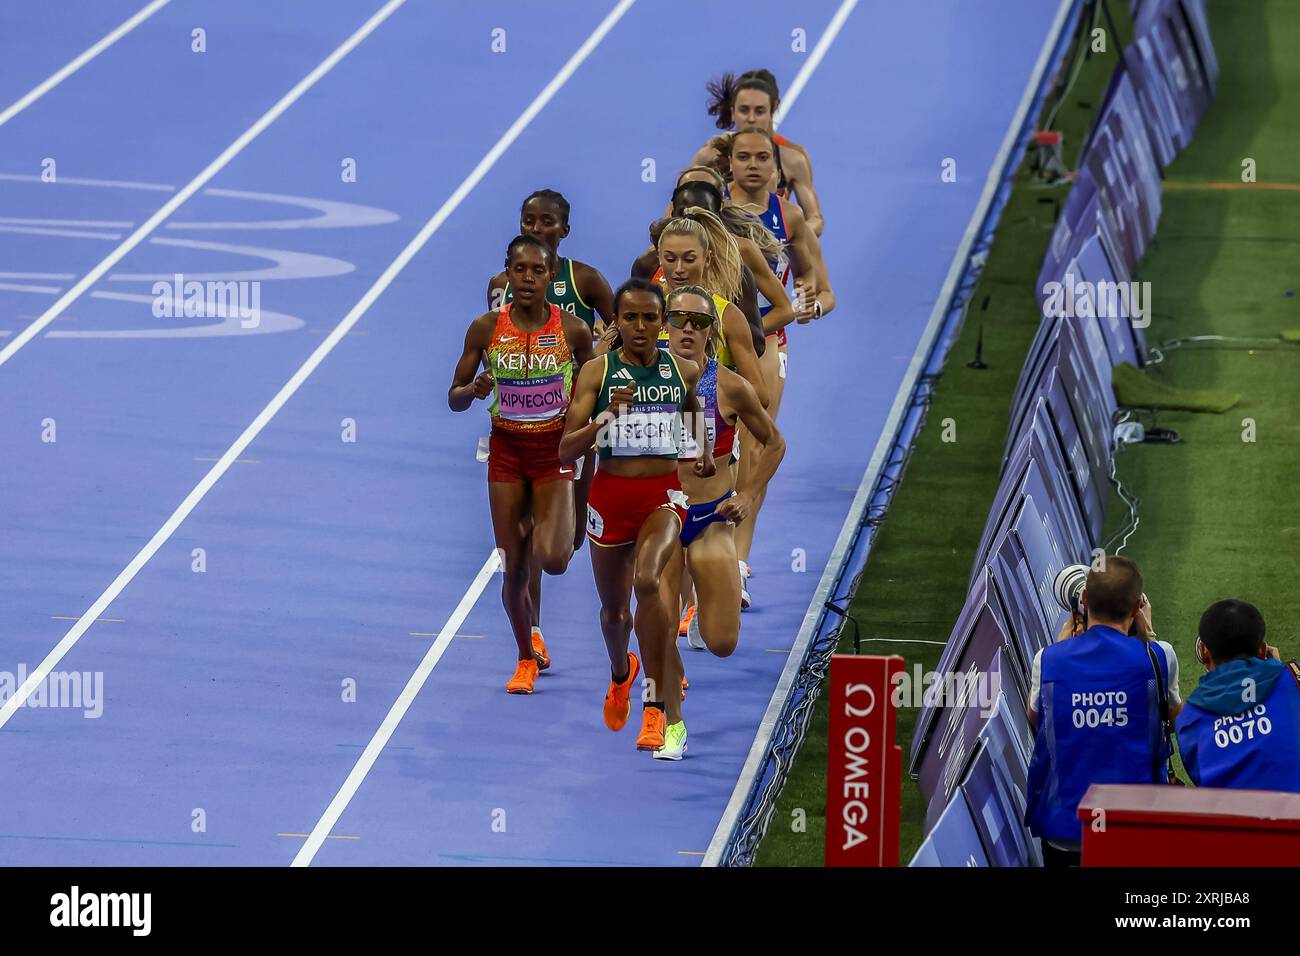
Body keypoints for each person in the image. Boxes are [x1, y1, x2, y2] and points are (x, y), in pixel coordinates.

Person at [559, 279, 713, 756]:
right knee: (613, 614)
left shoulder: (682, 370)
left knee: (649, 581)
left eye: (650, 317)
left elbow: (692, 417)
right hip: (610, 499)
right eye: (630, 318)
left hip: (660, 497)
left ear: (663, 321)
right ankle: (620, 672)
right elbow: (565, 448)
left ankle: (658, 707)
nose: (641, 327)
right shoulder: (595, 372)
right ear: (617, 322)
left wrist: (701, 453)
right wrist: (606, 417)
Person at [450, 235, 594, 694]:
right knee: (512, 567)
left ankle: (538, 530)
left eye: (537, 271)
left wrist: (586, 437)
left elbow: (594, 386)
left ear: (552, 276)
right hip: (507, 455)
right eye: (519, 270)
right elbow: (453, 398)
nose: (528, 279)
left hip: (554, 454)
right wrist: (472, 391)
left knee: (554, 560)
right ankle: (525, 654)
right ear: (506, 274)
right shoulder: (484, 328)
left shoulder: (573, 330)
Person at [721, 125, 835, 607]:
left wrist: (810, 305)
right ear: (729, 164)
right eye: (743, 156)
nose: (752, 164)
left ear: (775, 165)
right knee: (714, 449)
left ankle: (738, 565)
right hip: (712, 342)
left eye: (761, 157)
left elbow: (822, 290)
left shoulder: (788, 218)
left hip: (768, 341)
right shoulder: (711, 211)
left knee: (754, 446)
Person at [1024, 556, 1182, 866]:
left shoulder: (1048, 659)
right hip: (1137, 827)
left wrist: (1059, 647)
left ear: (1083, 600)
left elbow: (1037, 719)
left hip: (1066, 830)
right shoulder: (1159, 656)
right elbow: (1174, 721)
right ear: (1138, 608)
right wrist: (1148, 637)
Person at [666, 287, 785, 684]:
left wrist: (748, 495)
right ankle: (664, 713)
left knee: (722, 642)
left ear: (710, 332)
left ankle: (704, 602)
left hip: (710, 518)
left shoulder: (731, 386)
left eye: (697, 322)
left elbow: (774, 442)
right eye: (677, 319)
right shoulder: (643, 380)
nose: (687, 328)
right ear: (663, 325)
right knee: (659, 627)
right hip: (659, 518)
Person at [1176, 600, 1300, 792]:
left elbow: (1201, 778)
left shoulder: (1189, 719)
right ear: (1261, 650)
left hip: (1236, 820)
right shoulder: (1294, 679)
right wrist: (1277, 669)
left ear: (1204, 651)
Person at [694, 69, 824, 235]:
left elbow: (815, 219)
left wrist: (787, 238)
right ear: (733, 112)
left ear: (774, 108)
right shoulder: (710, 155)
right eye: (744, 110)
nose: (751, 118)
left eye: (760, 111)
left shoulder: (792, 159)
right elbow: (680, 208)